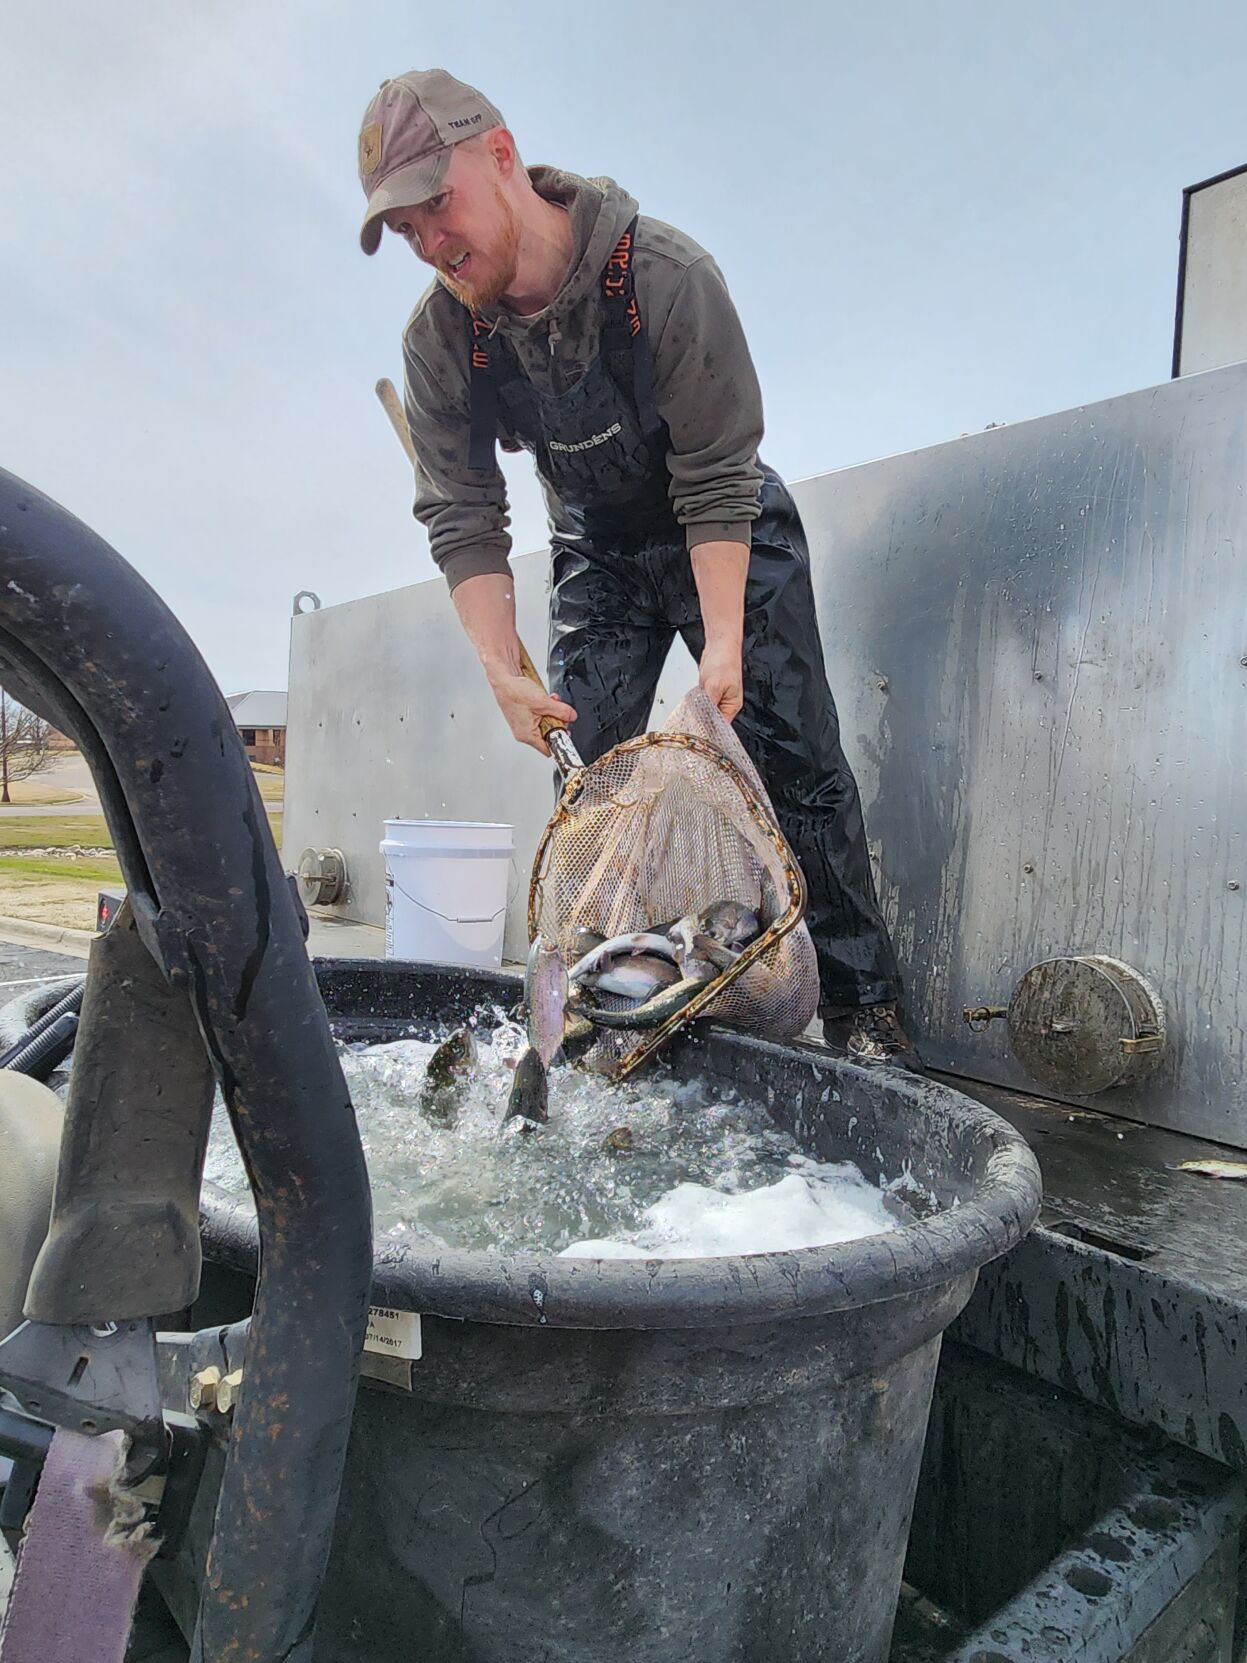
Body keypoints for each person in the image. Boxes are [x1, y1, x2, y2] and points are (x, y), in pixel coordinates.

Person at [357, 68, 917, 1067]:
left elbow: (713, 475)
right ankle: (591, 1015)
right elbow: (462, 514)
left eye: (435, 206)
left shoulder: (659, 275)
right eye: (404, 232)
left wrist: (725, 652)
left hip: (722, 522)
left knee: (796, 762)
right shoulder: (442, 341)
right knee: (589, 785)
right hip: (595, 551)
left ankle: (864, 1005)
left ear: (498, 155)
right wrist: (499, 667)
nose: (430, 243)